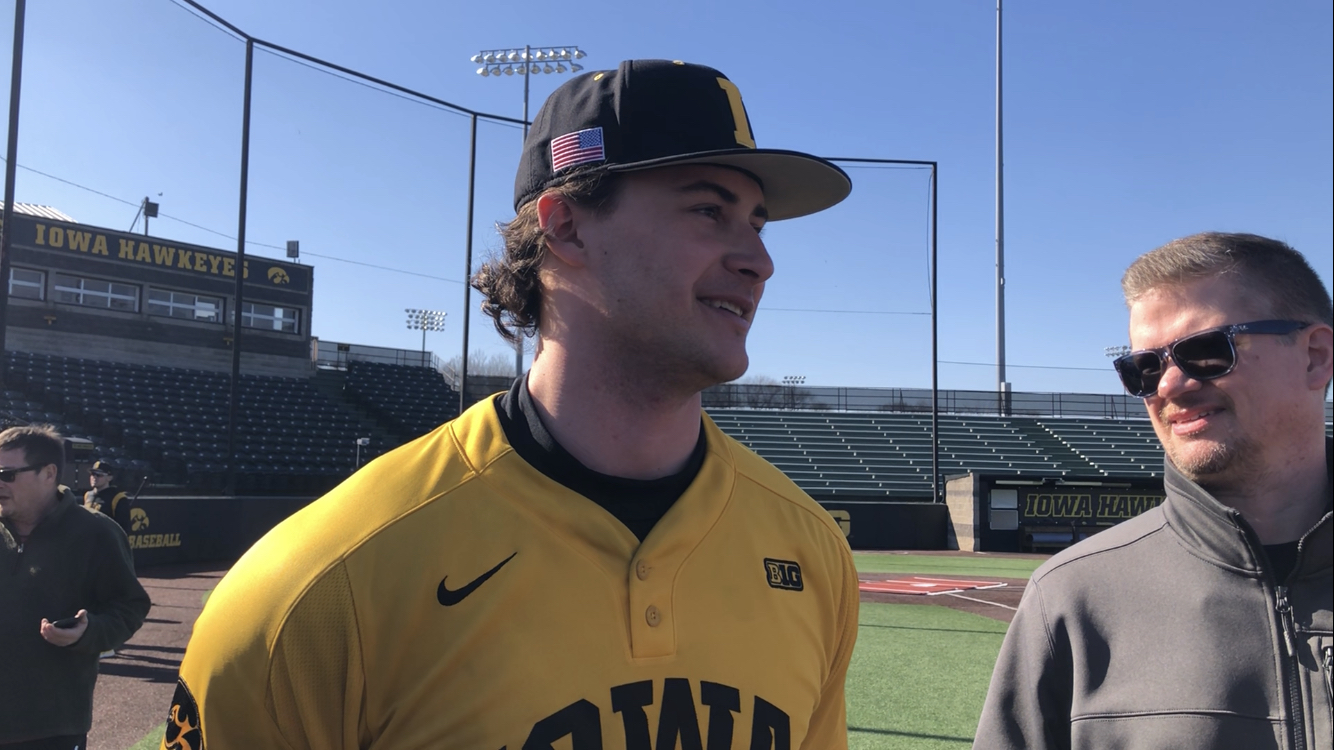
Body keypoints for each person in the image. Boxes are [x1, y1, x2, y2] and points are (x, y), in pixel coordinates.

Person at [164, 60, 860, 748]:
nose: (758, 261)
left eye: (759, 224)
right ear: (566, 227)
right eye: (709, 210)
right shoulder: (314, 590)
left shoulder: (815, 553)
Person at [974, 232, 1333, 749]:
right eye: (1144, 367)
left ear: (1315, 356)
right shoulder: (1072, 598)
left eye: (1207, 351)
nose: (1168, 386)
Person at [0, 425, 152, 749]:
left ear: (49, 473)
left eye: (7, 474)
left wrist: (88, 632)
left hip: (50, 727)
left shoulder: (97, 534)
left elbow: (130, 606)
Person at [83, 459, 133, 535]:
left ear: (109, 478)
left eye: (99, 475)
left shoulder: (118, 498)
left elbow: (123, 529)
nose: (94, 477)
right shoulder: (88, 495)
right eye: (92, 474)